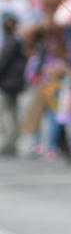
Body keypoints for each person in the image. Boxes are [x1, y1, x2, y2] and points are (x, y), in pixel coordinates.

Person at [0, 14, 25, 155]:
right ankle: (13, 141)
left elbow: (4, 62)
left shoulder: (10, 41)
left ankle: (7, 142)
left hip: (7, 82)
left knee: (4, 113)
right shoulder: (19, 40)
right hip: (16, 82)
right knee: (14, 113)